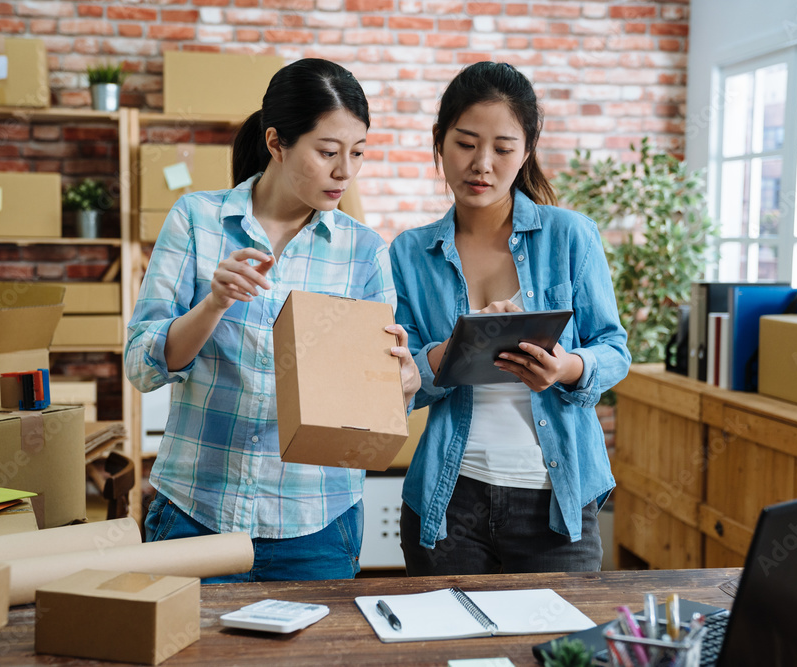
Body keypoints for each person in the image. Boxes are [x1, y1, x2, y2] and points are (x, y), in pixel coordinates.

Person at [126, 58, 420, 582]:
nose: (344, 171)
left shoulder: (364, 252)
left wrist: (400, 385)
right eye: (328, 152)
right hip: (196, 514)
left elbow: (370, 418)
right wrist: (212, 303)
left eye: (357, 153)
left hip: (316, 525)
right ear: (277, 143)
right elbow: (142, 367)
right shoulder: (197, 222)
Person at [390, 61, 630, 575]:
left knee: (555, 654)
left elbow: (614, 348)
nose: (482, 164)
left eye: (502, 149)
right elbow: (401, 379)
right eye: (465, 143)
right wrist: (452, 349)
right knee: (450, 652)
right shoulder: (409, 253)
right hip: (448, 502)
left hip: (555, 503)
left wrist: (565, 368)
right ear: (440, 140)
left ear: (526, 152)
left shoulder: (570, 236)